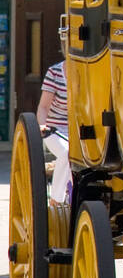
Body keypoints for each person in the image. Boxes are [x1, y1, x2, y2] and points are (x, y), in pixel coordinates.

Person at [36, 57, 70, 206]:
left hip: (79, 130)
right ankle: (56, 201)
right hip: (54, 129)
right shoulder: (55, 72)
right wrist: (42, 125)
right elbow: (43, 107)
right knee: (67, 152)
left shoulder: (91, 73)